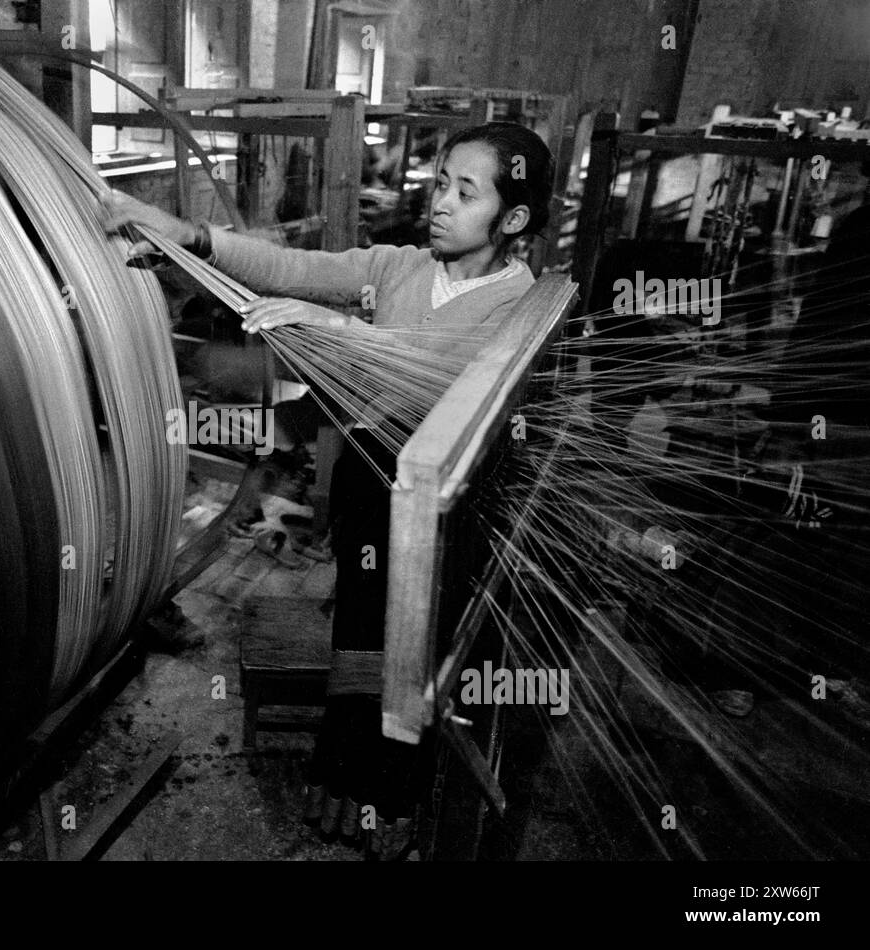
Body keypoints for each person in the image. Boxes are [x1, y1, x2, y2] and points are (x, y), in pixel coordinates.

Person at [102, 121, 555, 858]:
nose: (439, 202)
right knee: (361, 641)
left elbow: (445, 371)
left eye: (464, 192)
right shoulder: (403, 267)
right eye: (439, 182)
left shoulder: (523, 307)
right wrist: (191, 236)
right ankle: (346, 795)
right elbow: (296, 269)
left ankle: (394, 801)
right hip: (374, 490)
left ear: (512, 220)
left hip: (442, 513)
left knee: (414, 663)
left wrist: (337, 331)